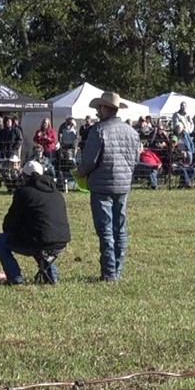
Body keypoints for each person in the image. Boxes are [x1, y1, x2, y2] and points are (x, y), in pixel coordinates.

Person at [74, 92, 139, 282]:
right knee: (120, 228)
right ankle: (117, 269)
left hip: (102, 185)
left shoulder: (98, 130)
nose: (96, 112)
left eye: (98, 108)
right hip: (123, 186)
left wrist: (80, 172)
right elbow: (135, 160)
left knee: (106, 230)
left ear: (104, 109)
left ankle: (109, 272)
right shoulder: (131, 132)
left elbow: (90, 161)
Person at [0, 160, 70, 285]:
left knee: (0, 240)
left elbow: (11, 221)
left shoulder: (23, 193)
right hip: (61, 242)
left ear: (24, 176)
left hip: (39, 242)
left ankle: (15, 277)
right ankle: (51, 275)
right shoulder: (56, 192)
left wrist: (11, 230)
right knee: (40, 238)